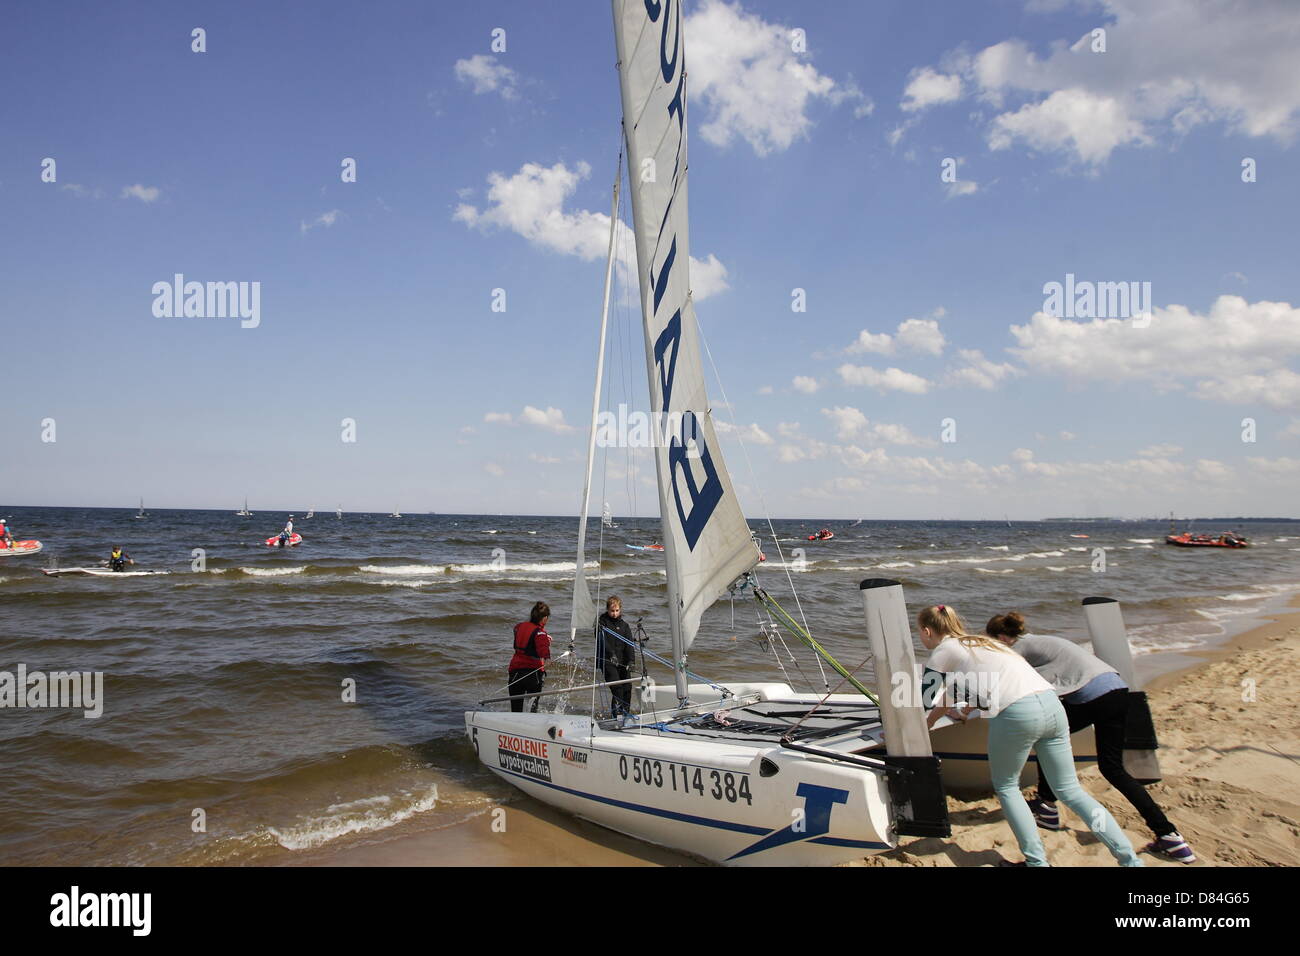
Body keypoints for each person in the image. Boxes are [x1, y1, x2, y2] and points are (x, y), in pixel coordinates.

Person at [918, 603, 1141, 867]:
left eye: (919, 634)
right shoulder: (986, 644)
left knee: (1007, 787)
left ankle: (1037, 862)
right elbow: (977, 686)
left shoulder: (944, 650)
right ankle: (1130, 860)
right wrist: (956, 711)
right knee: (1071, 791)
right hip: (1052, 706)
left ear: (927, 631)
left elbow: (925, 699)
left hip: (1017, 714)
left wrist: (923, 724)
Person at [986, 612, 1195, 863]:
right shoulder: (1042, 640)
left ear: (1001, 638)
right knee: (1113, 769)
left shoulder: (1017, 649)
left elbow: (1002, 682)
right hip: (1117, 690)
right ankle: (1170, 836)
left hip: (1094, 697)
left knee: (1046, 734)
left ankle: (1047, 808)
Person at [595, 595, 638, 718]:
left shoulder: (624, 626)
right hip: (607, 661)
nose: (614, 613)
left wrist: (631, 661)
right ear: (607, 610)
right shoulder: (601, 623)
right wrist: (611, 654)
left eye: (617, 611)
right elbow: (601, 640)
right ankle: (617, 714)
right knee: (617, 688)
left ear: (620, 610)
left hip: (622, 662)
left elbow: (630, 645)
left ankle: (625, 713)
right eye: (612, 611)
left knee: (627, 687)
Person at [508, 601, 552, 713]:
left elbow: (525, 637)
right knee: (532, 710)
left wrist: (544, 637)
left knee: (516, 709)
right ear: (545, 618)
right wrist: (547, 658)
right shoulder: (540, 633)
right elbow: (542, 650)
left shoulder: (519, 627)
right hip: (532, 675)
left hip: (515, 673)